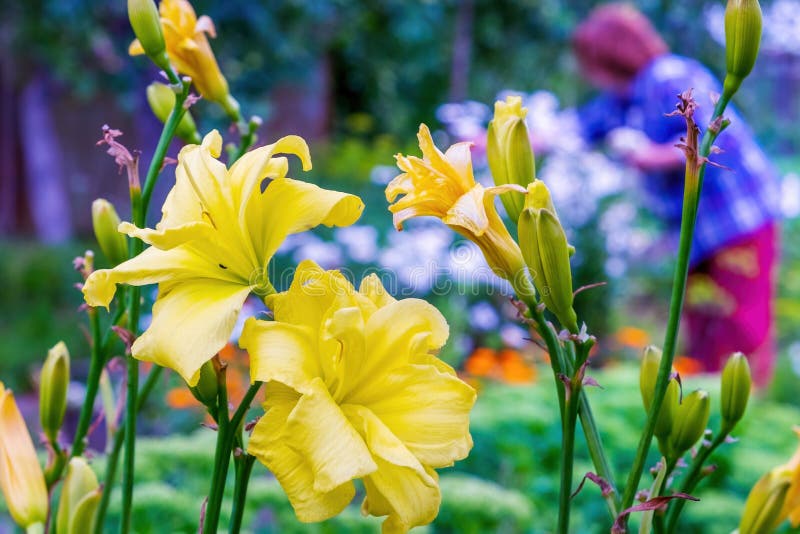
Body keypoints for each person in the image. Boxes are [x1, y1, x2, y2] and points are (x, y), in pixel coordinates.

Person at [572, 3, 781, 387]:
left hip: (738, 219)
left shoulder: (671, 75)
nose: (590, 75)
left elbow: (719, 140)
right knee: (702, 328)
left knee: (738, 330)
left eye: (592, 62)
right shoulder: (625, 98)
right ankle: (707, 417)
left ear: (611, 55)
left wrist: (649, 156)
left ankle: (744, 416)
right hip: (699, 233)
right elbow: (577, 127)